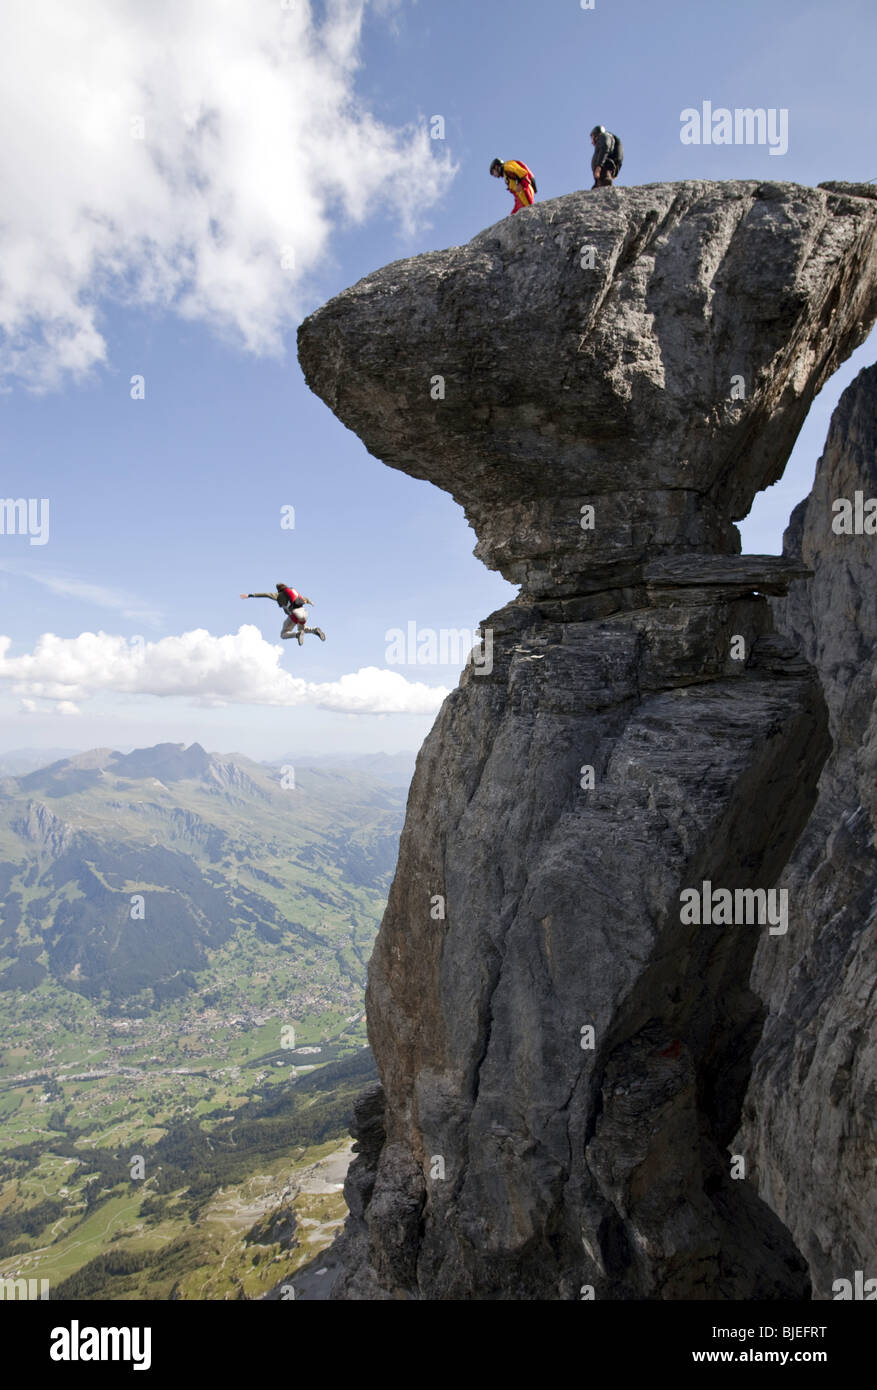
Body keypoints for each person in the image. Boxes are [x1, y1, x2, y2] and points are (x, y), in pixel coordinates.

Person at [241, 583, 325, 645]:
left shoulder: (278, 595)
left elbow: (266, 595)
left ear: (278, 590)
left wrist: (250, 595)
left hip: (294, 615)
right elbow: (305, 599)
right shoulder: (293, 592)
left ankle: (297, 635)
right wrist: (310, 602)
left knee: (283, 634)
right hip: (304, 613)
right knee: (302, 629)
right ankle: (315, 630)